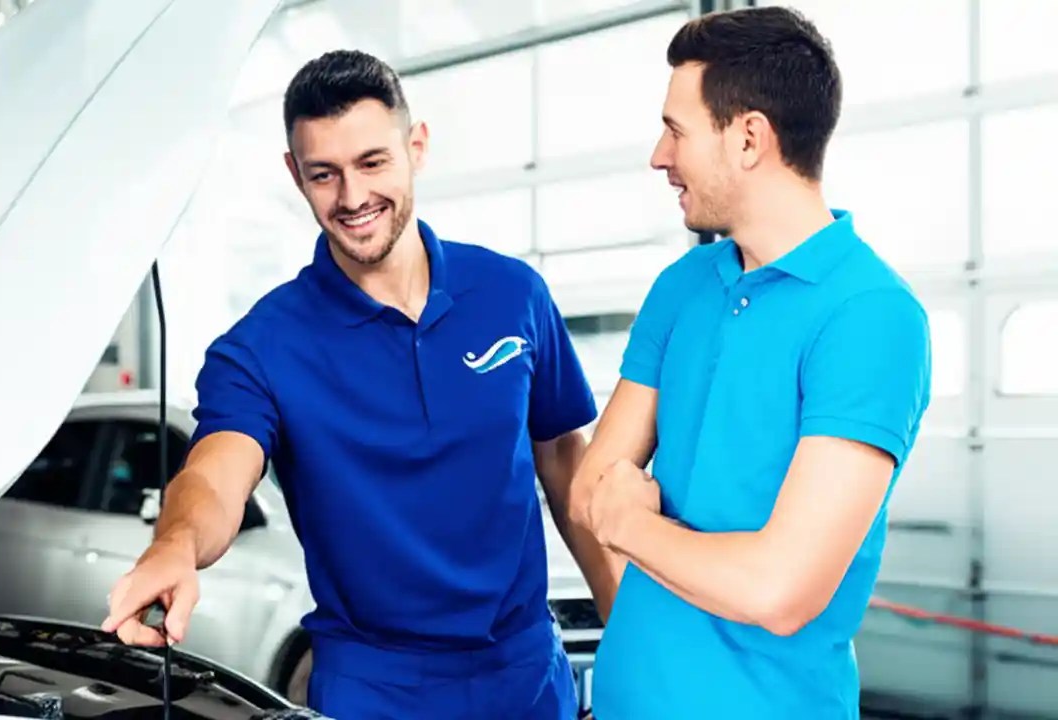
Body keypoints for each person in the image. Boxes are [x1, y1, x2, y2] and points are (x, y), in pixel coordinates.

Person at [101, 49, 620, 719]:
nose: (352, 198)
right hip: (373, 690)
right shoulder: (260, 348)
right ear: (295, 174)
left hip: (524, 674)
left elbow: (565, 465)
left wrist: (630, 633)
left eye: (373, 163)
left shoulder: (512, 294)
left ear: (417, 146)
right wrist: (174, 546)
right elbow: (214, 475)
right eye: (324, 174)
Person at [572, 7, 932, 719]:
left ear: (748, 137)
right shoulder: (682, 286)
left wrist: (635, 524)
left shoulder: (872, 316)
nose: (658, 155)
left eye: (676, 129)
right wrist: (626, 518)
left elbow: (779, 591)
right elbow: (590, 492)